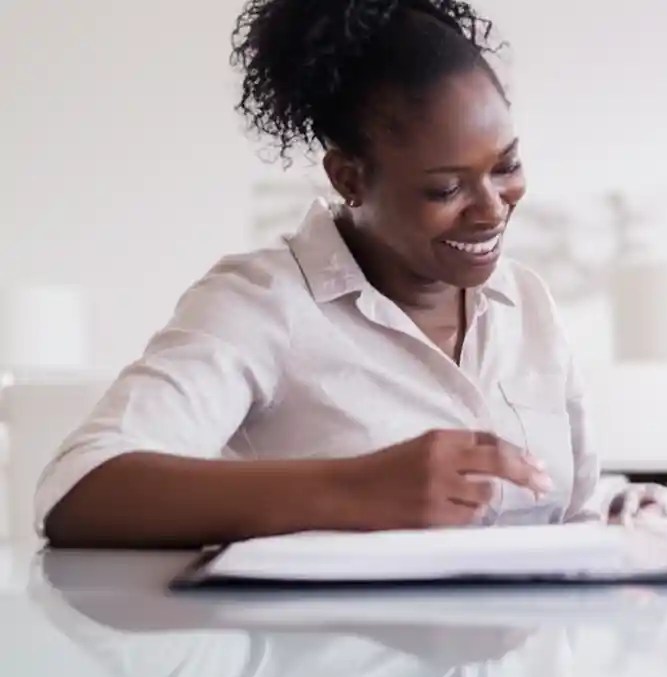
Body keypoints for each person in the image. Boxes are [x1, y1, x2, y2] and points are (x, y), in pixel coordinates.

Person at [37, 0, 600, 548]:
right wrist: (354, 487)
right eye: (445, 188)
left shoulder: (527, 301)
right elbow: (79, 489)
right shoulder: (262, 304)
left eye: (507, 166)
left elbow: (582, 522)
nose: (492, 207)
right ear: (349, 179)